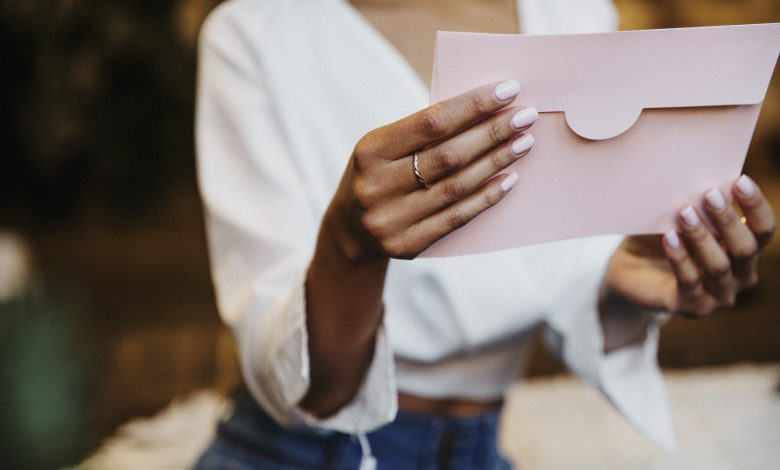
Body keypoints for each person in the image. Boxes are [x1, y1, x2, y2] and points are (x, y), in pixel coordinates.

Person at [193, 0, 777, 468]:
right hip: (296, 453)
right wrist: (350, 247)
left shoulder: (571, 12)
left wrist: (620, 280)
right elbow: (306, 392)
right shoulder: (254, 33)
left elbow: (561, 268)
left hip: (482, 447)